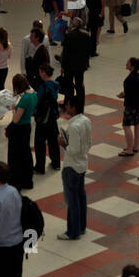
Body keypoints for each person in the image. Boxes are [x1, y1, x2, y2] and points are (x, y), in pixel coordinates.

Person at [58, 95, 92, 240]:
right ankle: (82, 226)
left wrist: (62, 143)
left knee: (72, 200)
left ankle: (73, 231)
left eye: (68, 105)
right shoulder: (86, 120)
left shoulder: (73, 126)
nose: (66, 107)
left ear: (73, 106)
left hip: (71, 166)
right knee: (81, 196)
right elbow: (88, 143)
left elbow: (73, 149)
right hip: (83, 163)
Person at [6, 73, 36, 191]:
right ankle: (27, 180)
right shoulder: (33, 93)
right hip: (27, 126)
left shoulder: (24, 99)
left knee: (15, 156)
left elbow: (16, 119)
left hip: (18, 129)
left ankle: (15, 181)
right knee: (26, 153)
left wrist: (14, 109)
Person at [32, 62, 61, 175]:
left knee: (39, 143)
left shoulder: (44, 86)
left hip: (43, 118)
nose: (39, 74)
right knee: (53, 141)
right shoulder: (55, 85)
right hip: (52, 116)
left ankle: (40, 167)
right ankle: (56, 163)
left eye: (40, 72)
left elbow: (38, 101)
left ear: (44, 72)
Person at [119, 57, 139, 157]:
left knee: (126, 126)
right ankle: (136, 146)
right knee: (137, 124)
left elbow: (130, 93)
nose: (126, 63)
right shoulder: (138, 76)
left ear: (132, 66)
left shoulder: (129, 79)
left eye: (128, 62)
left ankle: (129, 149)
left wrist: (123, 95)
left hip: (131, 105)